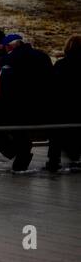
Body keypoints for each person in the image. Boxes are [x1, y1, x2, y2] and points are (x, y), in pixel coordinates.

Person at [0, 33, 54, 173]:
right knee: (19, 123)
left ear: (9, 46)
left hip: (17, 109)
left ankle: (16, 151)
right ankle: (22, 152)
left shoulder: (8, 60)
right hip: (43, 109)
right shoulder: (43, 56)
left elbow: (5, 87)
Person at [46, 36, 81, 172]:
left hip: (63, 108)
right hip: (78, 108)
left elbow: (53, 87)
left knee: (56, 130)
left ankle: (54, 160)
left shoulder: (61, 64)